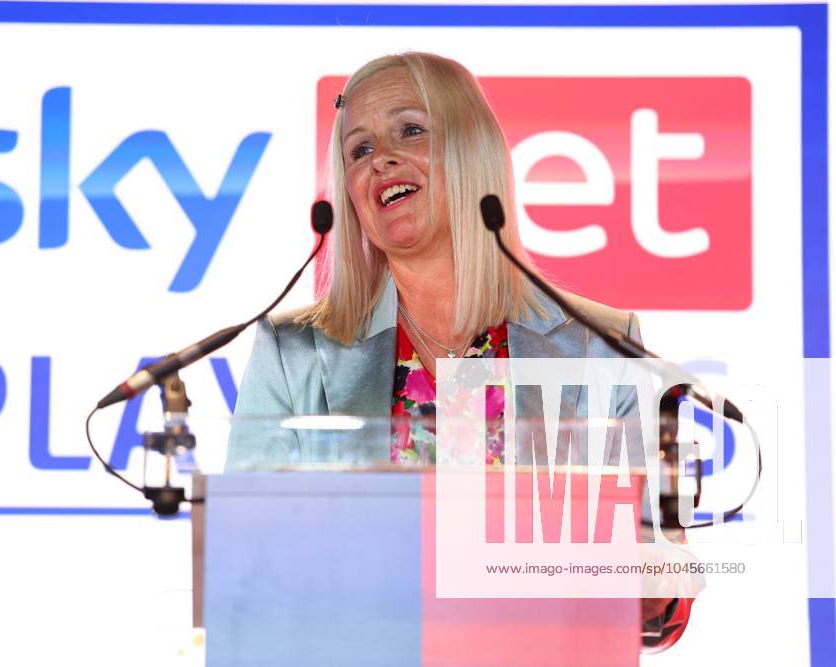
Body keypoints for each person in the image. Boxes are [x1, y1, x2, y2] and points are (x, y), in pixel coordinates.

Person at [226, 51, 692, 651]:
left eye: (411, 130)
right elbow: (246, 573)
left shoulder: (598, 344)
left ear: (474, 154)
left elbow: (657, 564)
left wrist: (653, 581)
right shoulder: (293, 353)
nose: (381, 159)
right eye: (358, 150)